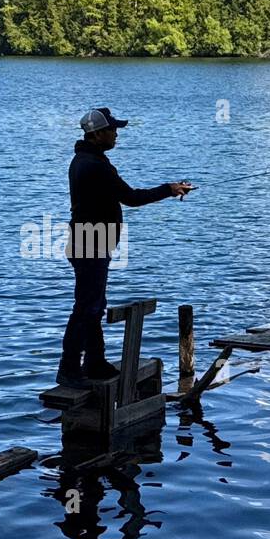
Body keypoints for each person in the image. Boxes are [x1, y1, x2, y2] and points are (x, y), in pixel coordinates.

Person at [57, 107, 194, 388]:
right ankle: (69, 370)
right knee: (86, 308)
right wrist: (168, 189)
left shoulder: (85, 159)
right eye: (112, 129)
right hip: (90, 242)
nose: (116, 134)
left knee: (94, 305)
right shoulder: (94, 165)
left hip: (88, 239)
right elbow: (131, 198)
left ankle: (94, 362)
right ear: (96, 135)